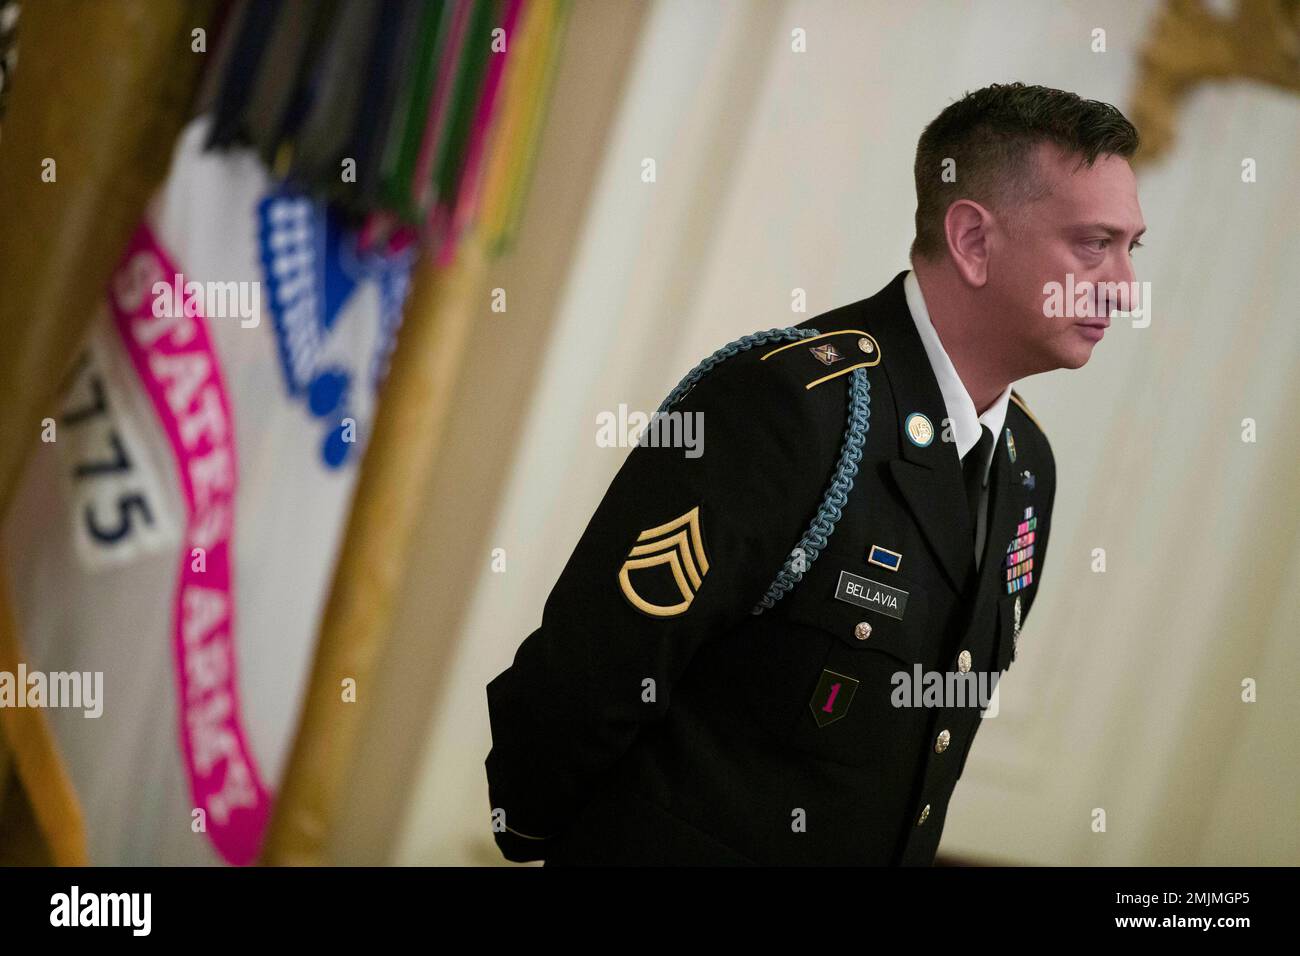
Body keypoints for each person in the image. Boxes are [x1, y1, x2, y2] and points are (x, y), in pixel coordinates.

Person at [484, 82, 1144, 865]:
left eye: (1132, 248)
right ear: (973, 241)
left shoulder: (1026, 467)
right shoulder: (790, 405)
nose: (1125, 289)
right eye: (1093, 244)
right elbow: (591, 674)